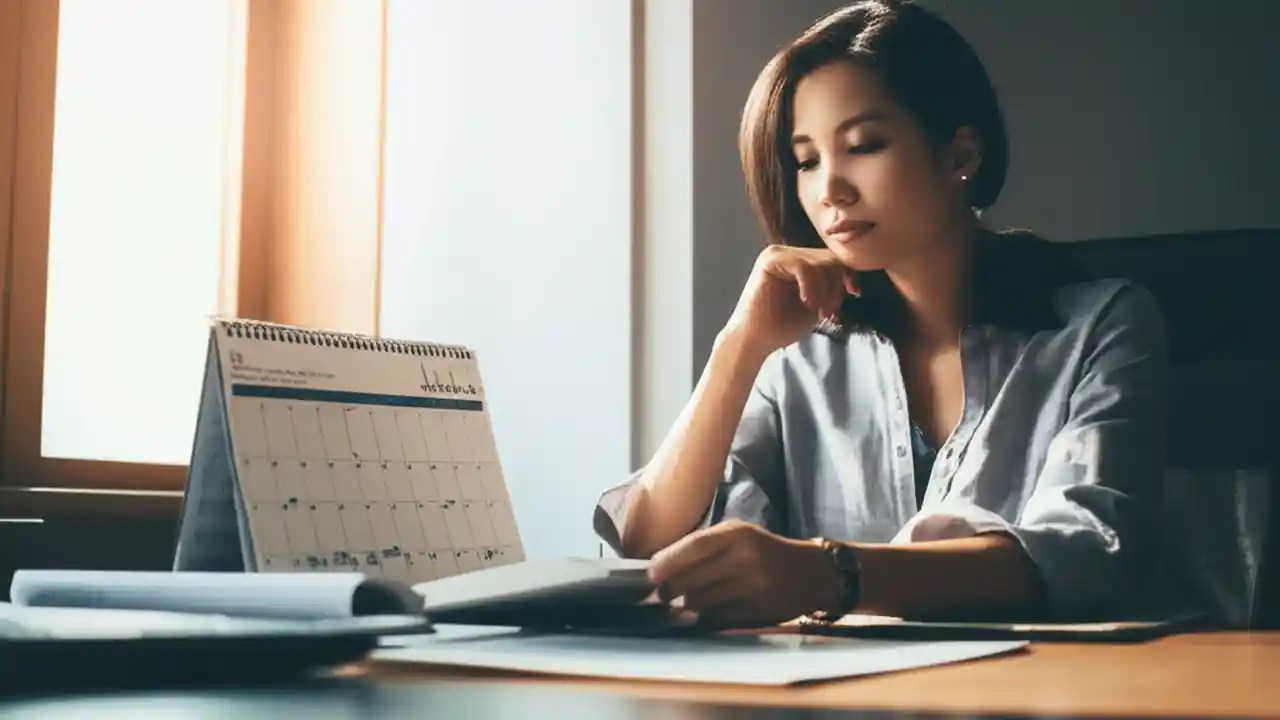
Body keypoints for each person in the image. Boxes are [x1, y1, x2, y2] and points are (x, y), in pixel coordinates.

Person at [593, 0, 1168, 628]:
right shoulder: (800, 357)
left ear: (960, 156)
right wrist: (740, 343)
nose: (829, 188)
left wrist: (827, 573)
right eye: (807, 159)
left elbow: (1088, 551)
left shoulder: (1101, 327)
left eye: (863, 145)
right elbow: (647, 540)